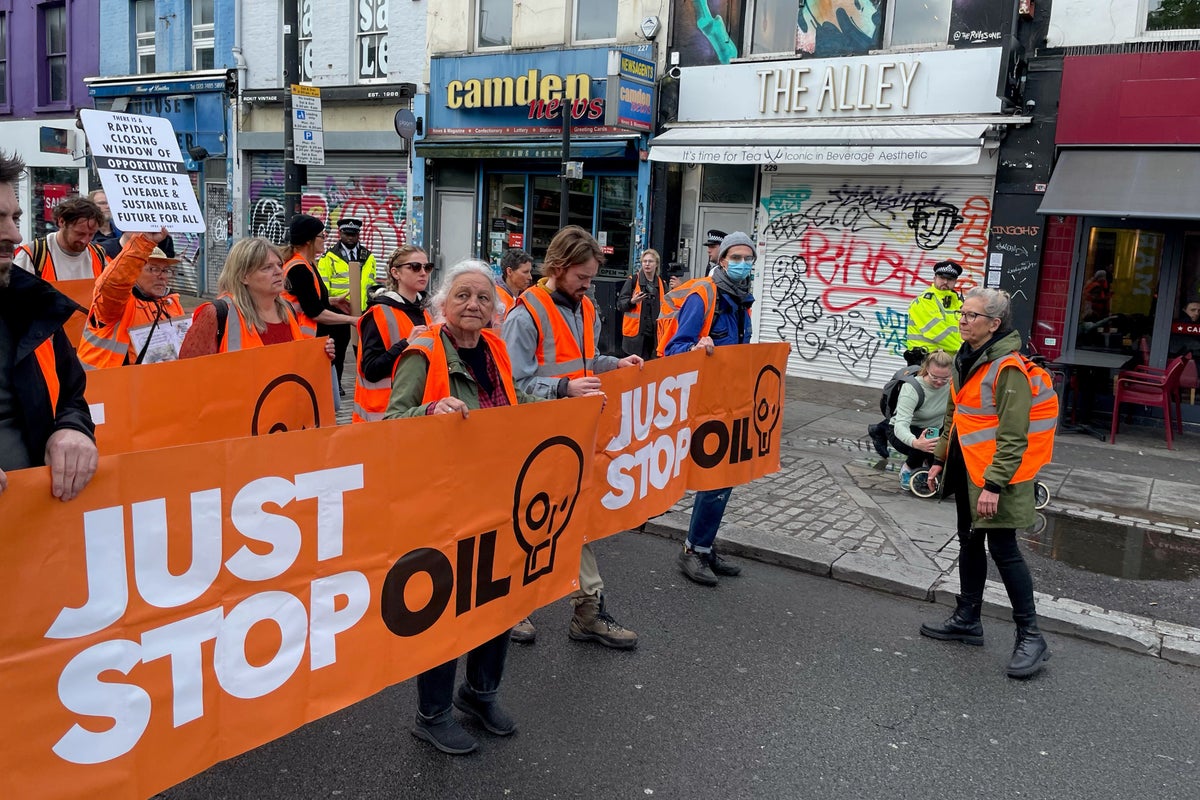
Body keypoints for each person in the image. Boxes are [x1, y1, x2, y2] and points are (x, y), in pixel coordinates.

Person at [385, 260, 539, 755]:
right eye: (463, 296)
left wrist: (570, 400)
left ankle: (480, 694)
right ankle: (432, 714)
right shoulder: (423, 350)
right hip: (442, 504)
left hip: (495, 497)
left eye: (483, 298)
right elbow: (390, 421)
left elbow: (512, 410)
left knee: (496, 603)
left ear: (495, 308)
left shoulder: (493, 347)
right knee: (447, 610)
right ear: (441, 305)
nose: (474, 305)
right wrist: (430, 410)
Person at [501, 224, 643, 649]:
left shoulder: (585, 307)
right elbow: (510, 384)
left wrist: (612, 365)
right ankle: (511, 608)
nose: (588, 284)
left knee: (572, 520)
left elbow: (581, 361)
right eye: (582, 277)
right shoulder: (525, 314)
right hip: (534, 439)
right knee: (526, 524)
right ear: (559, 268)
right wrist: (563, 390)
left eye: (591, 277)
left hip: (572, 437)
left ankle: (586, 609)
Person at [923, 288, 1054, 679]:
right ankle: (967, 618)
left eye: (972, 315)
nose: (963, 320)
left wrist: (994, 486)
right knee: (968, 539)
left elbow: (1014, 436)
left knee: (1004, 548)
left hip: (998, 476)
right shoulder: (967, 358)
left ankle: (1031, 636)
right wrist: (938, 459)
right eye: (962, 313)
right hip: (967, 469)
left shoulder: (1007, 367)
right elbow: (955, 413)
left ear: (994, 324)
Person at [0, 149, 97, 502]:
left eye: (15, 218)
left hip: (37, 533)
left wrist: (71, 429)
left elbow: (72, 396)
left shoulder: (35, 310)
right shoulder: (33, 259)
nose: (13, 234)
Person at [663, 232, 756, 586]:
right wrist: (697, 348)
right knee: (716, 477)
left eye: (748, 258)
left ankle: (702, 546)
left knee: (724, 478)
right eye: (736, 257)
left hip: (728, 400)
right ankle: (693, 550)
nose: (743, 263)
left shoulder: (741, 300)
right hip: (701, 403)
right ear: (722, 261)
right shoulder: (704, 295)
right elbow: (674, 349)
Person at [178, 237, 333, 359]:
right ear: (244, 277)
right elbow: (190, 373)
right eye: (267, 267)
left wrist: (319, 354)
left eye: (279, 265)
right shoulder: (216, 313)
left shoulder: (288, 310)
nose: (279, 271)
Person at [77, 230, 186, 369]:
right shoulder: (116, 303)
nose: (162, 276)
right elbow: (115, 282)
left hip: (152, 384)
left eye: (165, 270)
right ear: (135, 271)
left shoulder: (171, 304)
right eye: (153, 269)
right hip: (106, 385)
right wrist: (144, 242)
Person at [351, 244, 433, 422]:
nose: (423, 273)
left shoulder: (426, 312)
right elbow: (371, 370)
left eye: (427, 267)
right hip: (382, 415)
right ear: (396, 273)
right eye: (415, 267)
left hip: (417, 410)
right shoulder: (378, 313)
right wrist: (405, 345)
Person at [283, 214, 358, 391]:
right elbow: (314, 312)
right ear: (309, 240)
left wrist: (332, 301)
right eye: (322, 236)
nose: (325, 240)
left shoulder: (306, 264)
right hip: (304, 344)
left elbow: (307, 299)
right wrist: (352, 320)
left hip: (310, 344)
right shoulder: (299, 269)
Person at [888, 350, 953, 490]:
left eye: (945, 378)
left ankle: (928, 464)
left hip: (934, 429)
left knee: (948, 445)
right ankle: (908, 468)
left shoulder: (952, 386)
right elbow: (900, 425)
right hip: (903, 431)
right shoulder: (912, 388)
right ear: (927, 369)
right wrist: (916, 443)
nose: (940, 382)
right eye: (934, 377)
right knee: (927, 443)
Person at [13, 195, 107, 281]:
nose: (85, 240)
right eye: (79, 234)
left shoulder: (98, 255)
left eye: (91, 234)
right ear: (61, 222)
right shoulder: (32, 254)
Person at [905, 259, 964, 364]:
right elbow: (937, 333)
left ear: (955, 281)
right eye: (942, 278)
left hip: (948, 360)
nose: (945, 282)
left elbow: (964, 328)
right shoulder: (924, 301)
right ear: (934, 278)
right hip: (926, 360)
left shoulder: (957, 301)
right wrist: (964, 349)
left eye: (950, 279)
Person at [317, 217, 377, 315]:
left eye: (353, 234)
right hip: (337, 310)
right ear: (340, 233)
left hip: (363, 311)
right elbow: (323, 287)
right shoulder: (329, 257)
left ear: (358, 234)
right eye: (346, 234)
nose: (350, 238)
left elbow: (371, 284)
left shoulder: (368, 257)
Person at [617, 249, 668, 360]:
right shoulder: (633, 280)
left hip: (655, 337)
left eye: (650, 261)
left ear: (656, 264)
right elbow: (620, 305)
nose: (647, 264)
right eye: (644, 261)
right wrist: (631, 302)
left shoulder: (662, 284)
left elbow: (668, 309)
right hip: (635, 338)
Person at [494, 247, 533, 319]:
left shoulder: (527, 296)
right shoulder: (494, 297)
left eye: (530, 272)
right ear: (509, 271)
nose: (530, 277)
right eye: (525, 272)